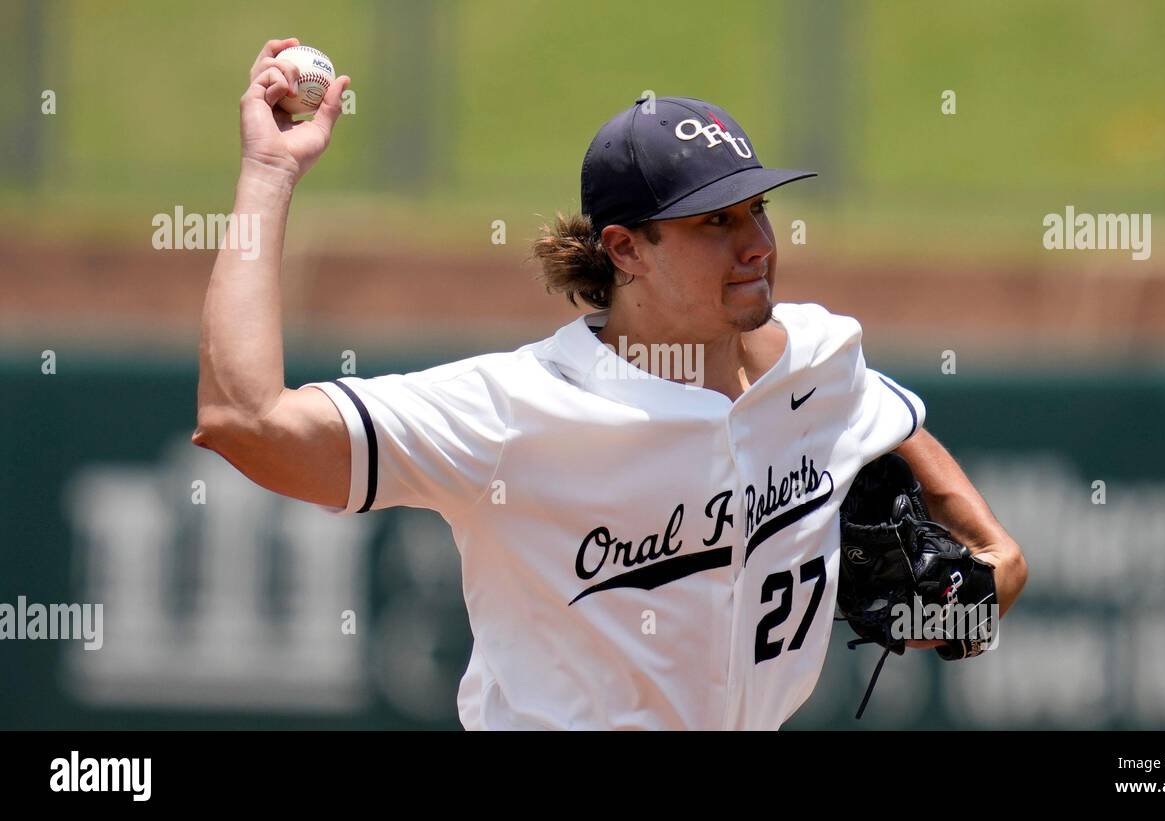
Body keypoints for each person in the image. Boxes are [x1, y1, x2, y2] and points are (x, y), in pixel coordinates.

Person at [193, 38, 1028, 730]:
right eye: (713, 222)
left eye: (756, 210)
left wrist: (992, 563)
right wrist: (268, 177)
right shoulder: (516, 413)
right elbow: (245, 421)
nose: (756, 243)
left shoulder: (815, 358)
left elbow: (888, 422)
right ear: (625, 249)